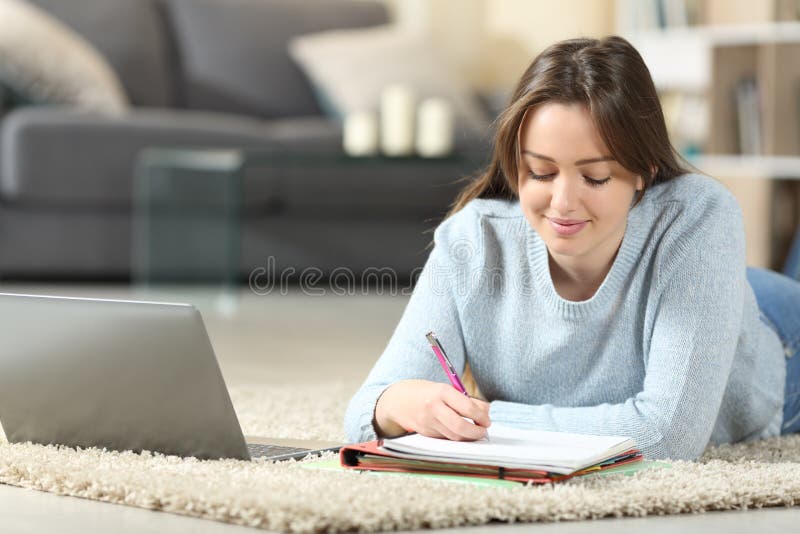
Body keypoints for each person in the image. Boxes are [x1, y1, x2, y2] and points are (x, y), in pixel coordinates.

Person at [344, 35, 800, 460]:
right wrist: (397, 404)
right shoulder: (473, 239)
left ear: (643, 170)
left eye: (595, 177)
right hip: (702, 291)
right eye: (541, 172)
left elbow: (668, 434)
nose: (562, 204)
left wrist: (483, 420)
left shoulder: (699, 215)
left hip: (776, 334)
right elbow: (364, 413)